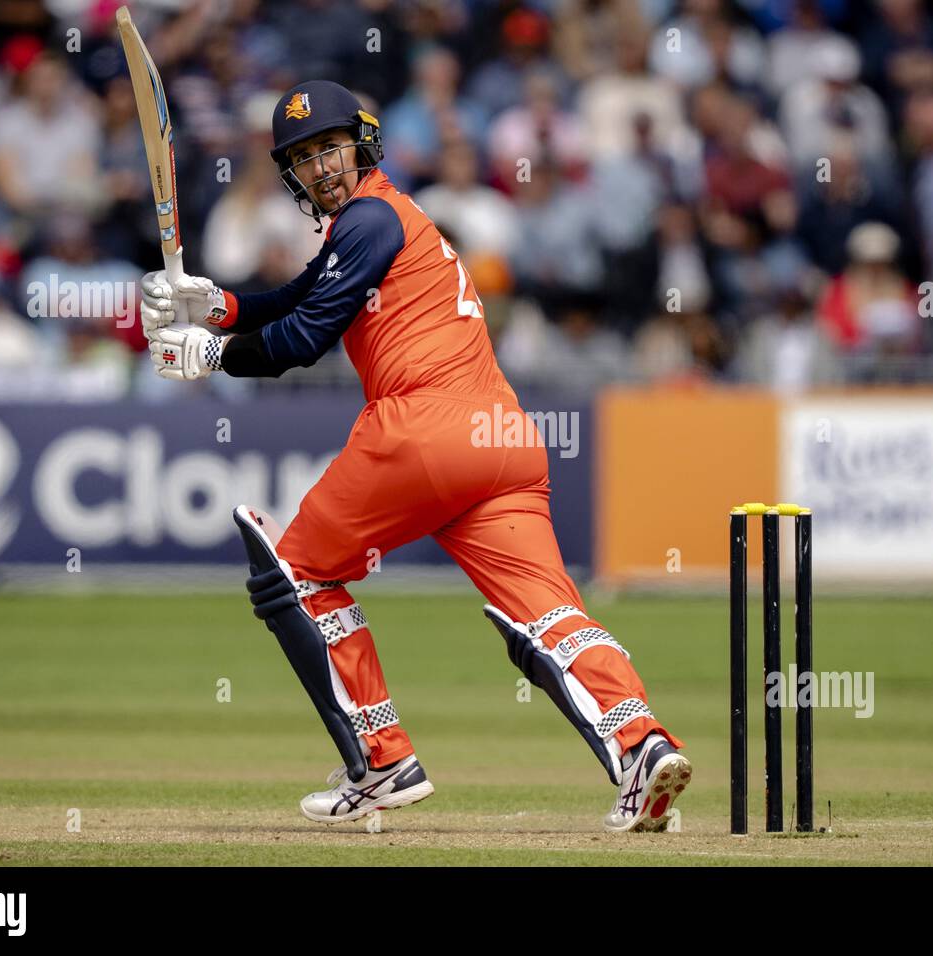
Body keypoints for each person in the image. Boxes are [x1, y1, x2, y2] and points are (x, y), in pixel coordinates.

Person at [138, 81, 689, 832]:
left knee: (295, 576)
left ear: (361, 145)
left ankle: (381, 760)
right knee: (549, 615)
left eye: (329, 149)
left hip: (422, 429)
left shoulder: (366, 217)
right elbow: (299, 295)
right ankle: (641, 746)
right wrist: (217, 306)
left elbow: (301, 342)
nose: (319, 169)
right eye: (302, 159)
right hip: (502, 441)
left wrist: (210, 356)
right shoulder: (382, 221)